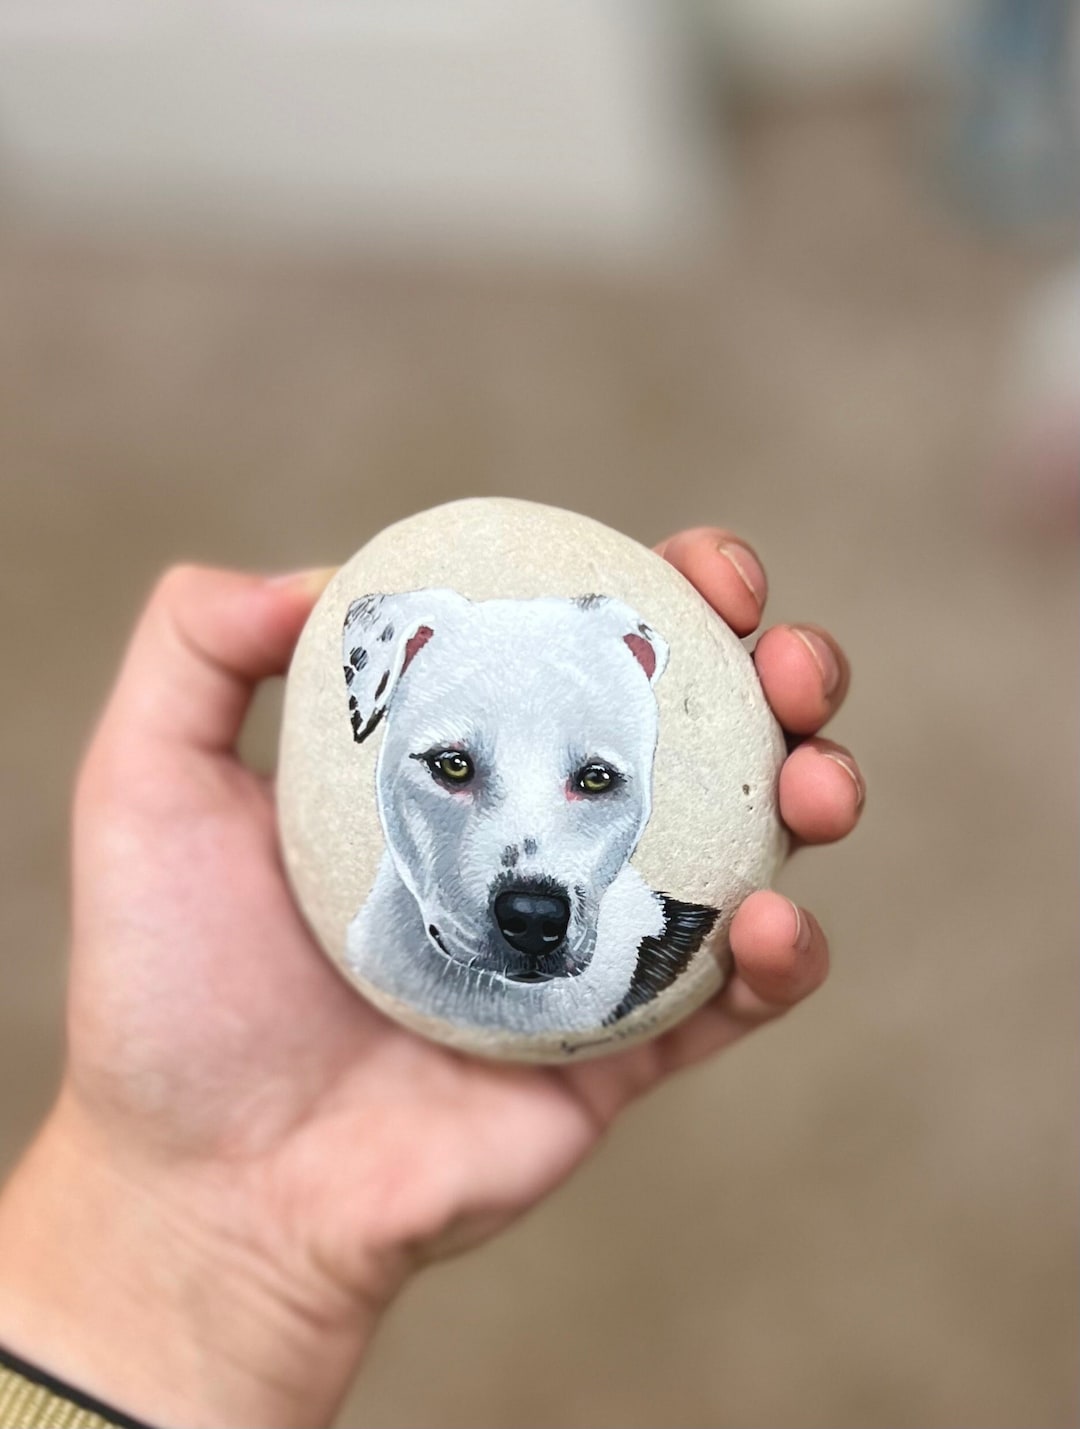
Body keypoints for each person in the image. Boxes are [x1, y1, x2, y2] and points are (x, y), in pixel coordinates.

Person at [0, 528, 863, 1429]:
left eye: (596, 781)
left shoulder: (663, 950)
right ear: (381, 696)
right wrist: (186, 1202)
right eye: (454, 767)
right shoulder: (398, 640)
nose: (533, 892)